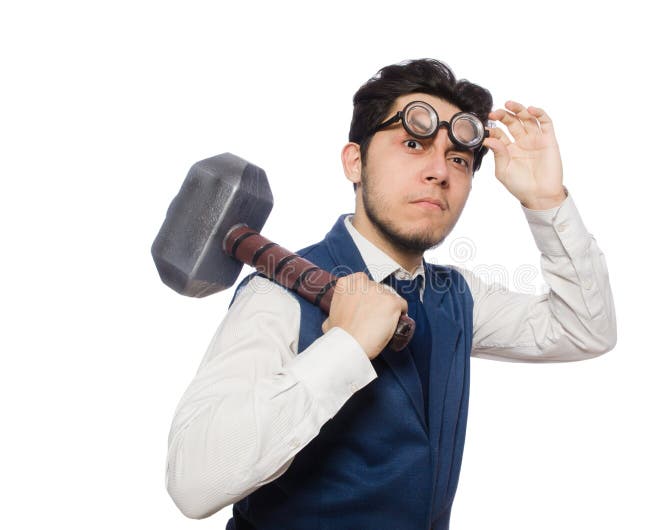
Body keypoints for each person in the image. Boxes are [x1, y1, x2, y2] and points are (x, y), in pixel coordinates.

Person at [166, 58, 617, 529]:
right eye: (412, 144)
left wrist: (546, 201)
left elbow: (586, 330)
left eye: (459, 159)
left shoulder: (458, 297)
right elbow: (191, 483)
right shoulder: (273, 299)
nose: (439, 171)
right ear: (354, 162)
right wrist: (346, 346)